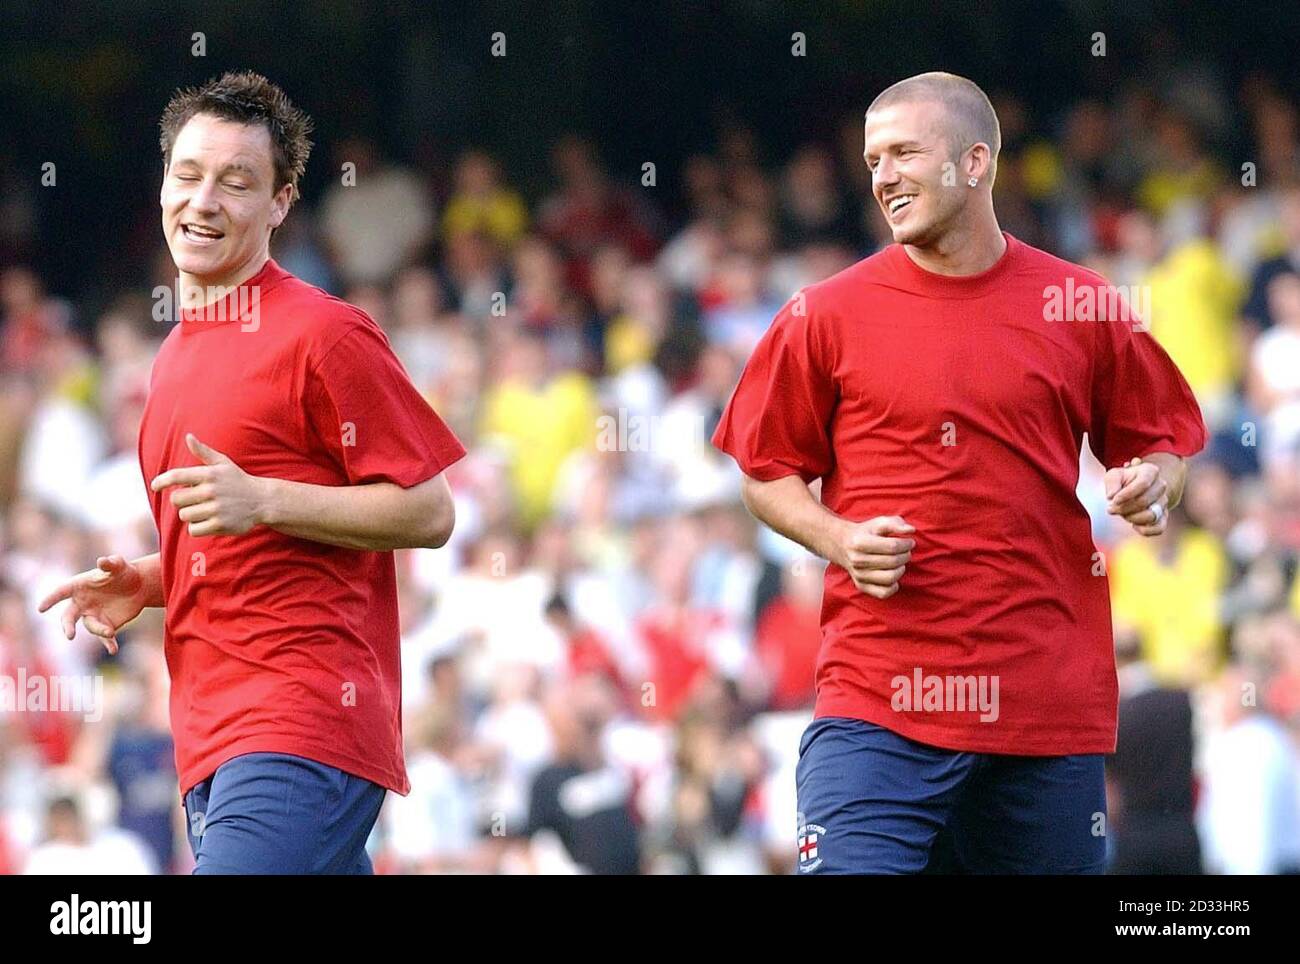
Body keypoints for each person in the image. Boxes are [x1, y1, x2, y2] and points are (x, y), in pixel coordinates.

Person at [712, 72, 1207, 874]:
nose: (882, 176)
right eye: (874, 159)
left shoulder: (1079, 305)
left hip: (1042, 715)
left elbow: (1162, 445)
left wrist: (1153, 481)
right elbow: (763, 473)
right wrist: (835, 537)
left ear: (976, 163)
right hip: (875, 707)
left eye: (906, 152)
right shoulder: (824, 314)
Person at [37, 71, 465, 874]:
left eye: (237, 182)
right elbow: (252, 537)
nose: (204, 200)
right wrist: (150, 577)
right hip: (209, 740)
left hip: (299, 726)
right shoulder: (169, 360)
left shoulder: (326, 333)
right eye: (188, 175)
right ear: (162, 181)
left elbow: (429, 510)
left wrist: (263, 498)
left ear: (280, 201)